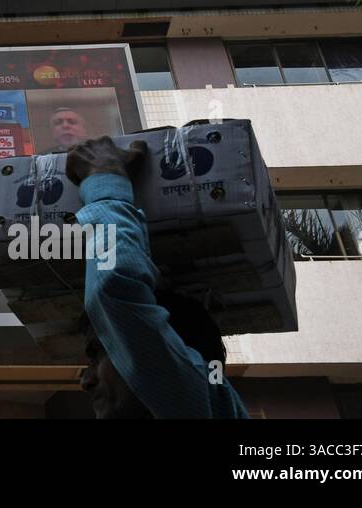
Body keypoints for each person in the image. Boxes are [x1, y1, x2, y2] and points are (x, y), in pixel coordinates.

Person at [67, 136, 249, 418]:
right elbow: (115, 292)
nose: (85, 382)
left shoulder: (199, 400)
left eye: (102, 350)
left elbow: (114, 287)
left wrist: (104, 178)